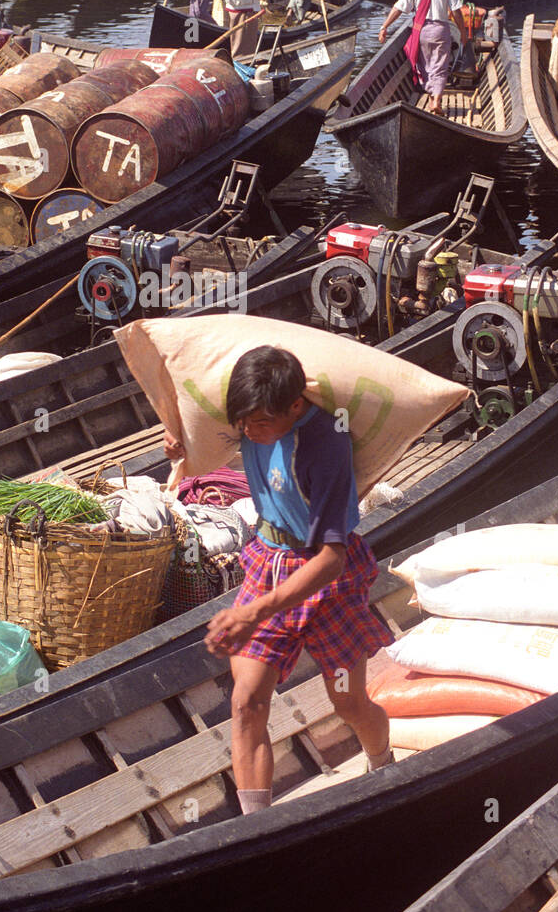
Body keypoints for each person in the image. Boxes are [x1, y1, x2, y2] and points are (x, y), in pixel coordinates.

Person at [164, 346, 394, 814]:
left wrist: (254, 611)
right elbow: (195, 423)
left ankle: (384, 766)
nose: (250, 433)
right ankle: (257, 828)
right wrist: (179, 448)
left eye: (261, 424)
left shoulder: (326, 442)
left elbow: (330, 558)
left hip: (330, 576)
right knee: (247, 703)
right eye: (244, 424)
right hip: (267, 560)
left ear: (295, 406)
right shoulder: (251, 418)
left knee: (348, 702)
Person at [377, 0, 469, 116]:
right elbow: (456, 11)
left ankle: (430, 93)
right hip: (441, 29)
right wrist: (463, 32)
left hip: (421, 31)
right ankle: (436, 100)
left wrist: (385, 26)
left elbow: (399, 8)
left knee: (425, 65)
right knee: (440, 65)